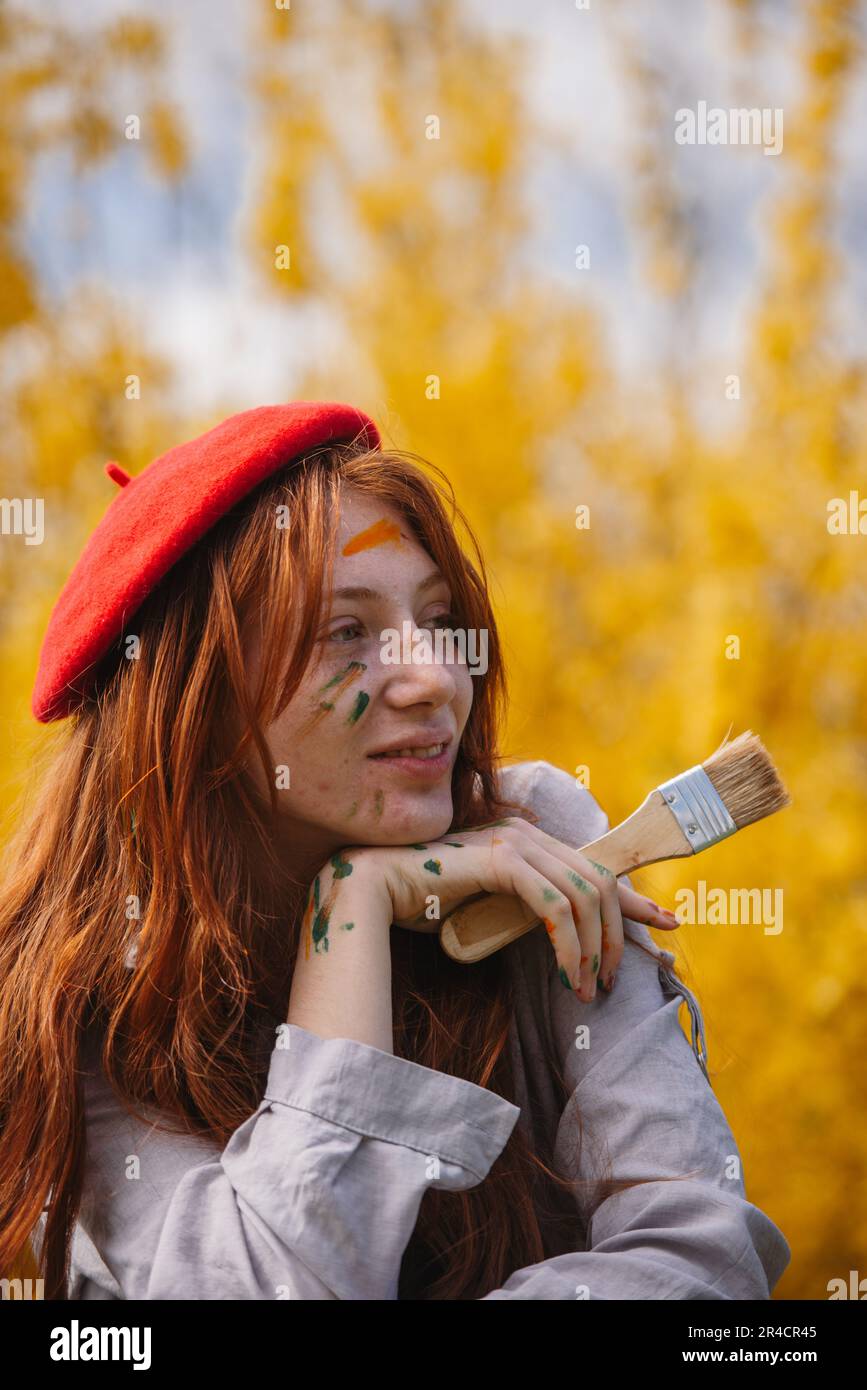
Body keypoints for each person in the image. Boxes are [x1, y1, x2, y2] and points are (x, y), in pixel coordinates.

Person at [0, 403, 790, 1300]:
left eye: (440, 619)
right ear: (192, 700)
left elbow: (702, 1257)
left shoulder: (538, 836)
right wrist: (355, 906)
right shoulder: (77, 1002)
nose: (434, 678)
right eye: (346, 632)